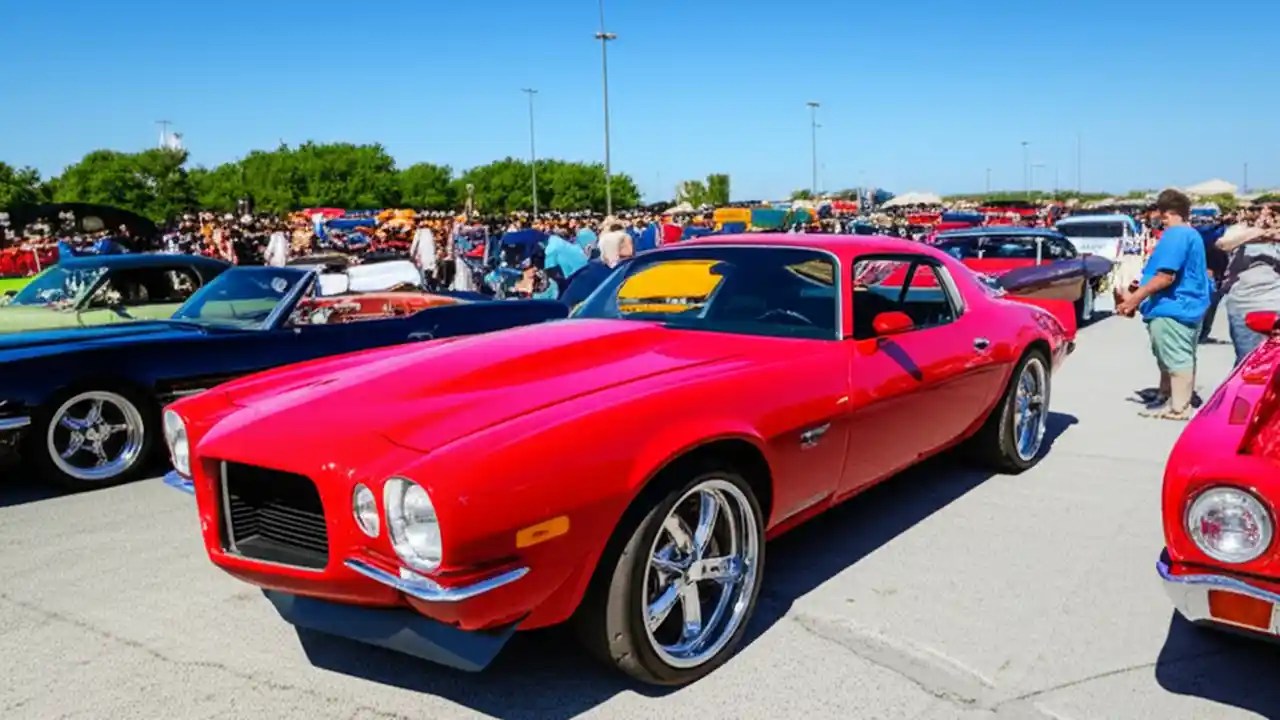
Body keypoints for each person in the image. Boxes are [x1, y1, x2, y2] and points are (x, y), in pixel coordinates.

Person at [1115, 189, 1211, 421]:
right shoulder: (1191, 234)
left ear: (1166, 212)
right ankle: (1169, 395)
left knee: (1177, 357)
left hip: (1173, 307)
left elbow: (1165, 276)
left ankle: (1179, 407)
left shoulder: (1175, 235)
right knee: (1179, 355)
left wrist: (1132, 300)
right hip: (1188, 306)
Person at [1217, 205, 1280, 364]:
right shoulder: (1238, 230)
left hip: (1275, 303)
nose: (1266, 215)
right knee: (1247, 361)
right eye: (1258, 210)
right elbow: (1223, 245)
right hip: (1245, 306)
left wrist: (1274, 236)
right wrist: (1257, 232)